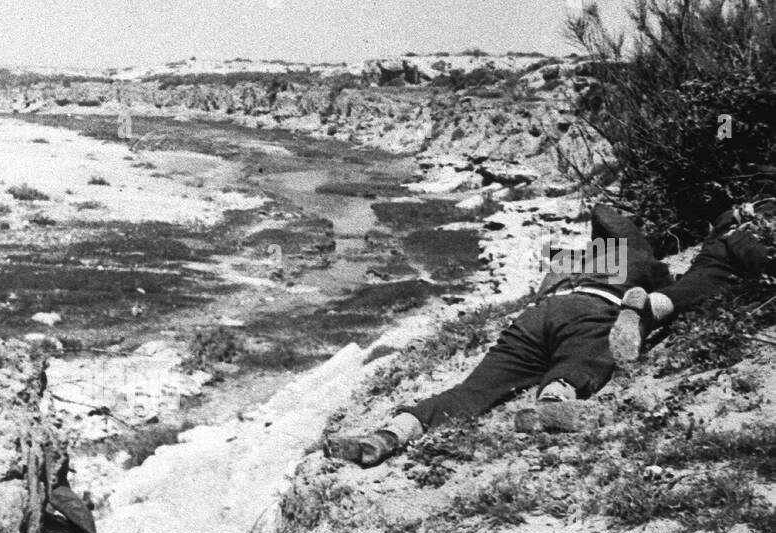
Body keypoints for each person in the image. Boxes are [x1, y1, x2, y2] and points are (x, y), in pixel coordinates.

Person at [327, 205, 672, 466]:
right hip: (594, 311)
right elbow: (670, 293)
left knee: (472, 391)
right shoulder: (644, 258)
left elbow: (545, 283)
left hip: (539, 314)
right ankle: (553, 400)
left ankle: (393, 432)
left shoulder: (580, 258)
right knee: (579, 362)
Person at [608, 197, 776, 365]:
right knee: (724, 286)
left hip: (733, 224)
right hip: (759, 235)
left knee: (699, 282)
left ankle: (650, 306)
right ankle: (648, 311)